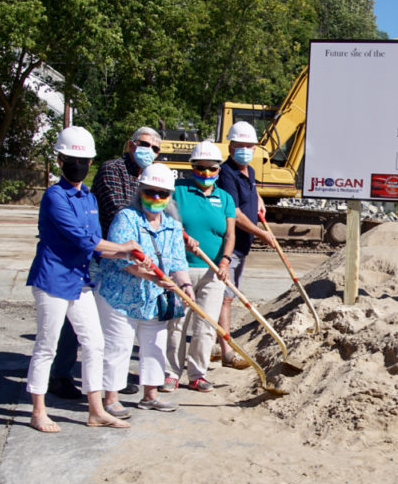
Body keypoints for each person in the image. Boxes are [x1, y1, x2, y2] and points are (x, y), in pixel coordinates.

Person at [25, 126, 142, 432]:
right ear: (60, 160)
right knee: (46, 346)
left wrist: (127, 259)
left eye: (83, 160)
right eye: (71, 159)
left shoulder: (88, 197)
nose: (78, 164)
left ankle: (96, 410)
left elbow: (94, 240)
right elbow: (82, 240)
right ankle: (38, 411)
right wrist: (124, 249)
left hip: (80, 280)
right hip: (52, 280)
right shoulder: (54, 197)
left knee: (94, 343)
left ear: (90, 162)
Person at [48, 127, 163, 399]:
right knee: (78, 317)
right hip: (100, 253)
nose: (149, 151)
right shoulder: (113, 169)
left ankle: (112, 378)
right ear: (131, 145)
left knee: (115, 320)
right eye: (144, 144)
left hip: (124, 255)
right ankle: (61, 374)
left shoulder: (146, 177)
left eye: (155, 148)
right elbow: (117, 209)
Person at [96, 164, 191, 416]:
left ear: (170, 196)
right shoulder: (126, 218)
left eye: (163, 193)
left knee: (155, 345)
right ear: (140, 191)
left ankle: (151, 395)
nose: (157, 198)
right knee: (119, 346)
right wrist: (154, 277)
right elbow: (124, 260)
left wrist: (186, 285)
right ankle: (111, 398)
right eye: (151, 192)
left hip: (153, 299)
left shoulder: (172, 225)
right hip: (119, 297)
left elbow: (179, 263)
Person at [163, 141, 236, 392]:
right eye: (200, 168)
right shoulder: (178, 190)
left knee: (205, 326)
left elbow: (230, 235)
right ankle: (171, 373)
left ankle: (197, 374)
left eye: (211, 169)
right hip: (181, 269)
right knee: (177, 324)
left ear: (218, 170)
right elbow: (165, 219)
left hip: (213, 272)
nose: (205, 174)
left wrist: (225, 261)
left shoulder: (224, 197)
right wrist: (181, 235)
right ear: (192, 167)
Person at [214, 121, 278, 368]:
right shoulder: (225, 174)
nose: (246, 150)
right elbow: (235, 213)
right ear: (231, 148)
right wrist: (261, 233)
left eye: (250, 146)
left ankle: (218, 342)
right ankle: (226, 350)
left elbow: (251, 191)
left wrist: (259, 199)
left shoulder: (248, 171)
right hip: (229, 246)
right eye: (241, 146)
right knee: (226, 297)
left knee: (228, 296)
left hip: (242, 246)